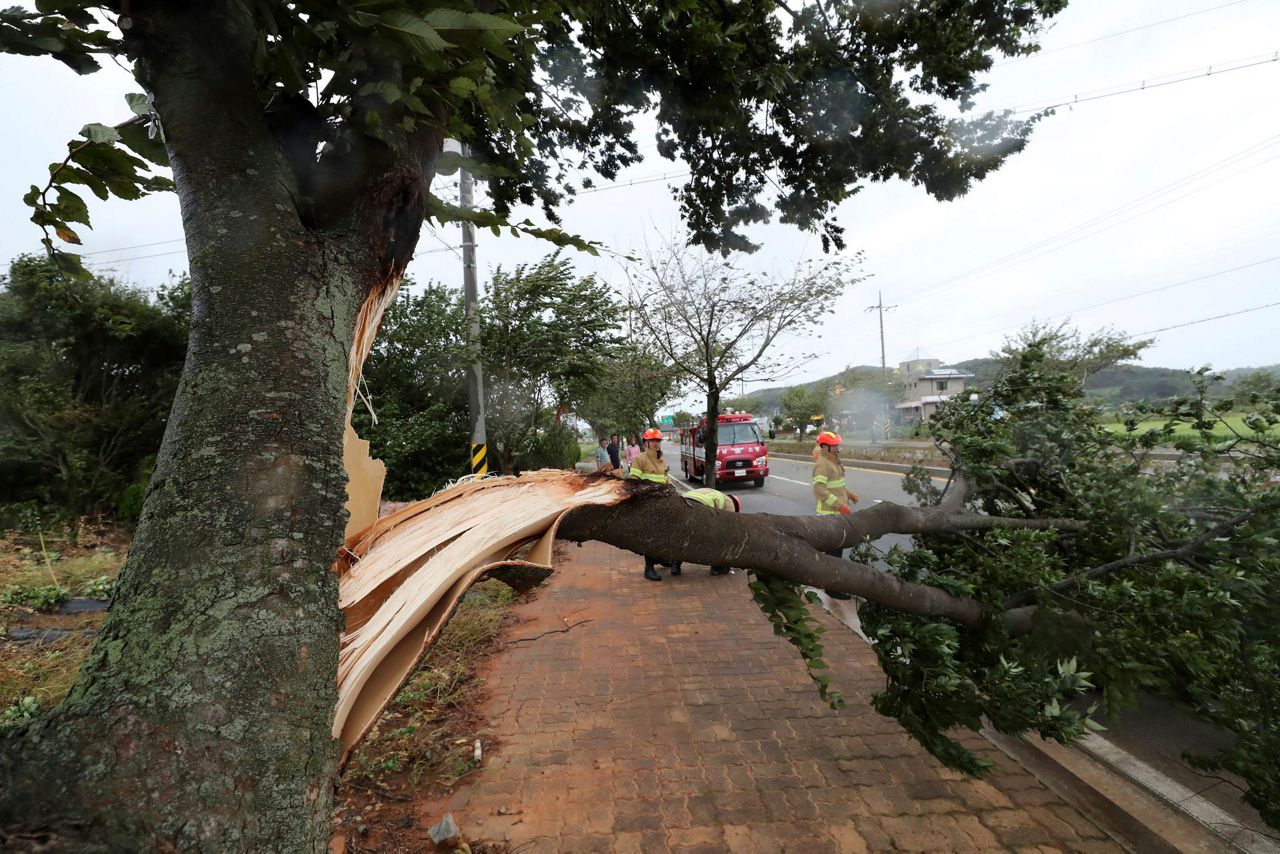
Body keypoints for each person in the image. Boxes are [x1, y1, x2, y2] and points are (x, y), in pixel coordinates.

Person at [628, 428, 680, 581]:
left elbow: (665, 480)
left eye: (658, 441)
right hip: (648, 504)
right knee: (651, 536)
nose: (656, 444)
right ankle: (648, 568)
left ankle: (663, 559)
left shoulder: (662, 460)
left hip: (663, 503)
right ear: (646, 443)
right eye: (653, 441)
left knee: (665, 534)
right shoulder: (640, 459)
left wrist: (674, 493)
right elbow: (634, 483)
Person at [812, 430, 859, 600]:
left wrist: (849, 494)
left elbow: (836, 486)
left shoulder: (834, 461)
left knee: (836, 552)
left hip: (837, 514)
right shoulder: (822, 464)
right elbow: (819, 490)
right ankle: (832, 588)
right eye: (834, 446)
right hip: (829, 515)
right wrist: (840, 505)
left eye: (838, 445)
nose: (838, 448)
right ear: (825, 447)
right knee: (834, 555)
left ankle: (831, 585)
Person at [682, 487, 740, 575]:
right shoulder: (729, 503)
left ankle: (675, 565)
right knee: (716, 538)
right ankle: (716, 568)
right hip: (698, 505)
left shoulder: (718, 494)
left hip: (683, 501)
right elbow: (728, 526)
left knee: (683, 535)